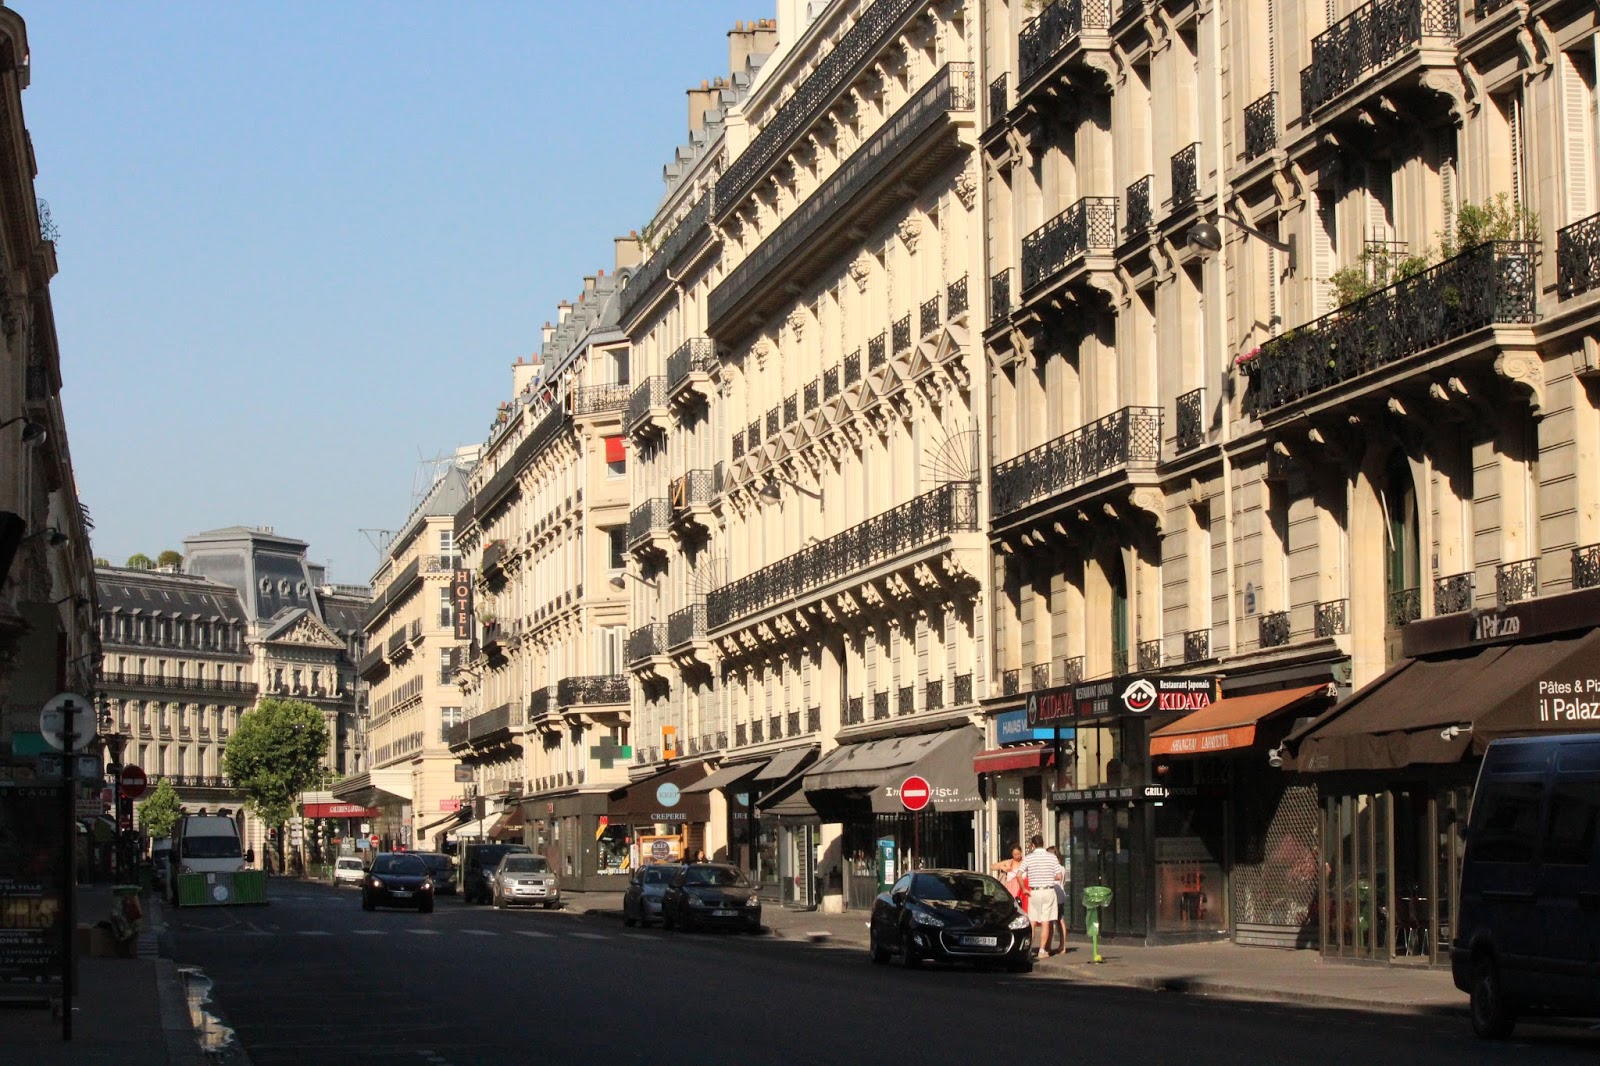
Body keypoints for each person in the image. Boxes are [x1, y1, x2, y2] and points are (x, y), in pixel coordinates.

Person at [1019, 834, 1063, 959]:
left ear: (1033, 845)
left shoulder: (1028, 858)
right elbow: (1059, 876)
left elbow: (1019, 874)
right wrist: (1048, 877)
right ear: (1043, 844)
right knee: (1045, 921)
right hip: (1049, 891)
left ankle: (1028, 949)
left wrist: (1023, 888)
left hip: (1034, 891)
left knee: (1032, 921)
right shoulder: (1052, 857)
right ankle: (1042, 950)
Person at [1046, 845, 1069, 955]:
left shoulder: (1055, 868)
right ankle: (1062, 946)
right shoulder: (1062, 867)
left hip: (1054, 895)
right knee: (1060, 920)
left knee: (1051, 921)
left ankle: (1049, 945)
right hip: (1061, 895)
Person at [991, 844, 1028, 913]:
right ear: (1012, 854)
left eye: (1018, 854)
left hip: (1023, 890)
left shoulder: (1025, 862)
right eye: (1015, 854)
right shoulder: (1009, 862)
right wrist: (1001, 867)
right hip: (1011, 890)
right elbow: (992, 867)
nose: (1017, 856)